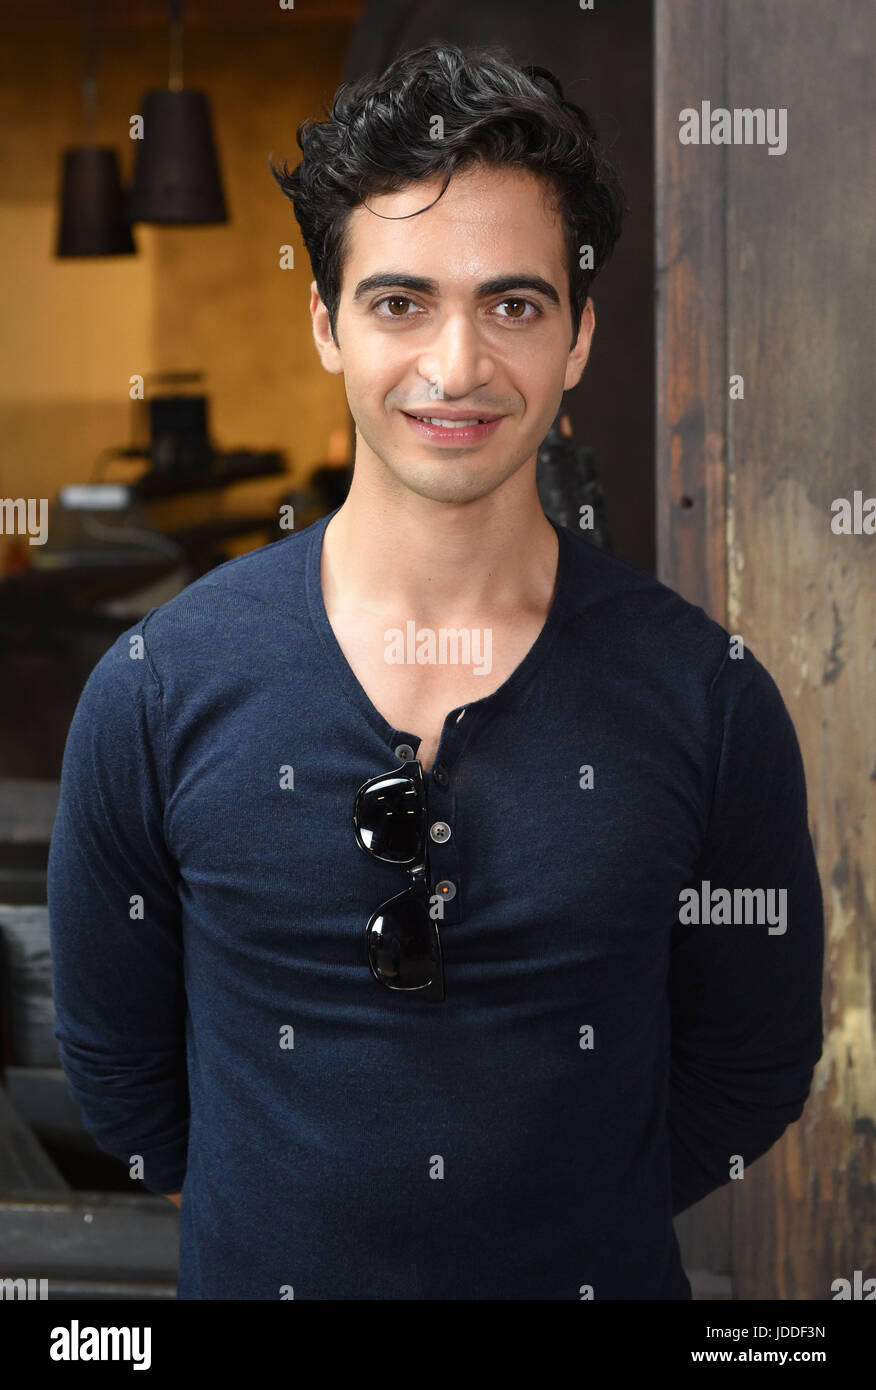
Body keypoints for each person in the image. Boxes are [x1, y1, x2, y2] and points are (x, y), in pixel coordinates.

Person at [48, 43, 823, 1300]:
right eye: (400, 302)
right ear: (326, 325)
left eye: (513, 305)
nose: (456, 367)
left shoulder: (707, 695)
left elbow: (751, 1064)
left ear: (577, 336)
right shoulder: (156, 688)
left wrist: (555, 1216)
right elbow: (127, 1084)